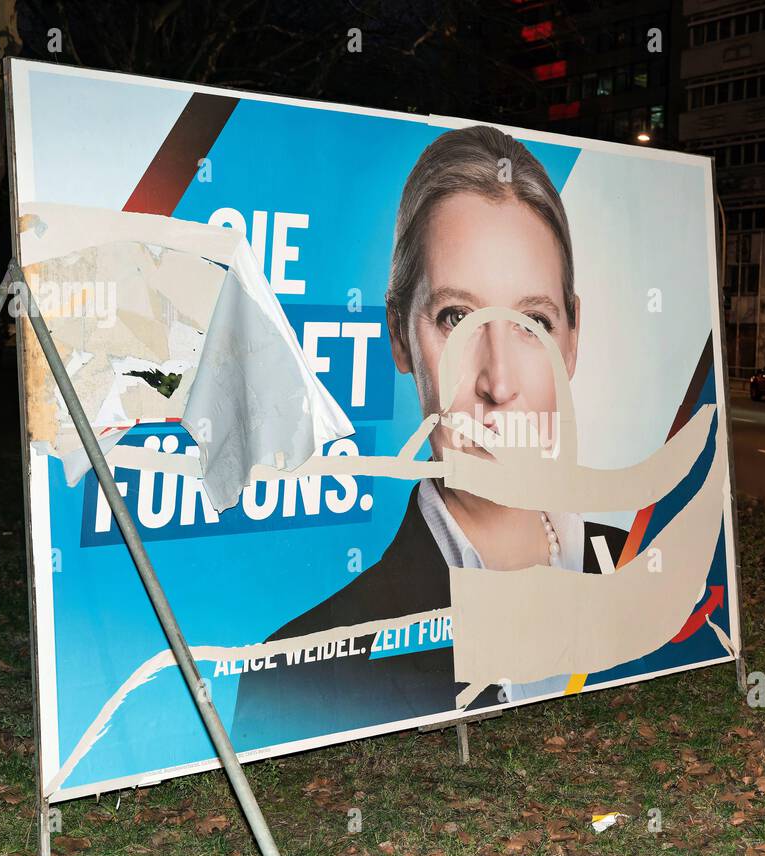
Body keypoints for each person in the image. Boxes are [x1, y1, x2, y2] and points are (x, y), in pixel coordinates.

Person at [232, 126, 627, 749]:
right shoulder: (298, 674)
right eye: (456, 317)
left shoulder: (644, 572)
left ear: (572, 338)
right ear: (399, 336)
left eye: (532, 322)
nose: (498, 382)